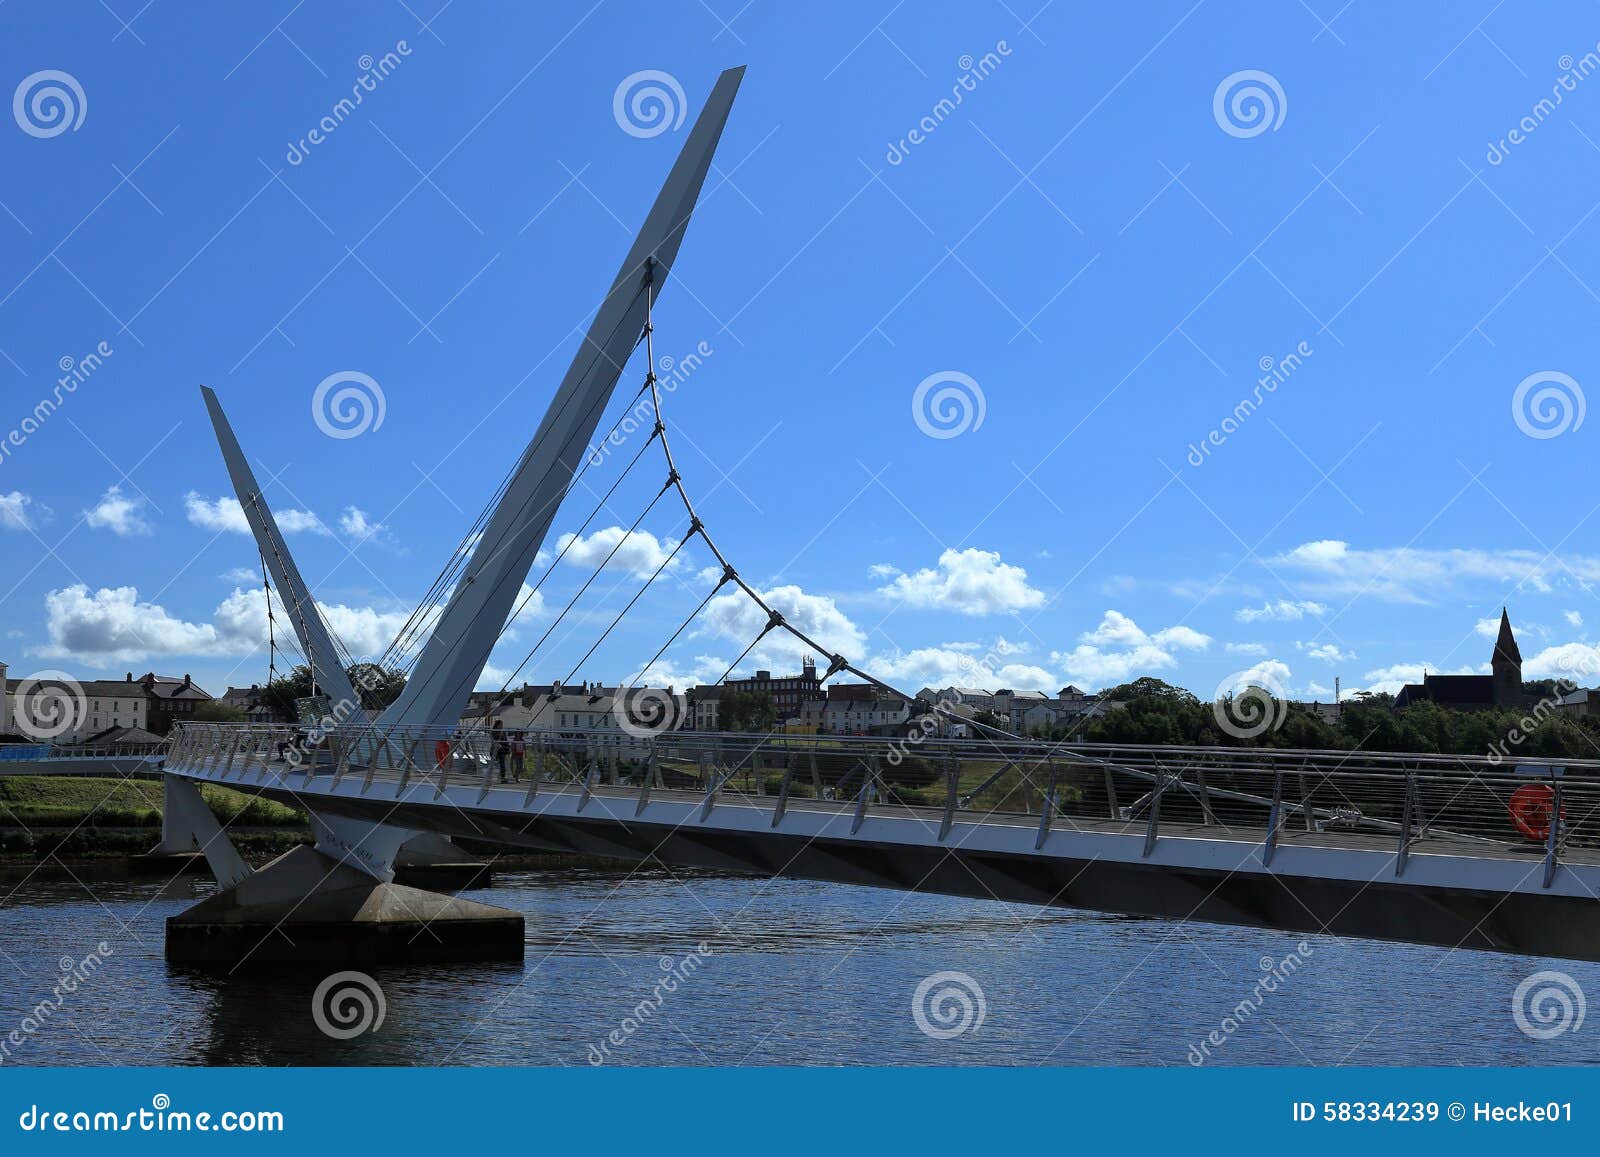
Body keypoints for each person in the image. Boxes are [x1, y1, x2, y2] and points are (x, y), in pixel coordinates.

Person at [491, 718, 509, 783]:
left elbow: (505, 741)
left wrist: (507, 749)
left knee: (502, 764)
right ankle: (491, 777)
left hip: (502, 749)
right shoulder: (494, 732)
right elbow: (493, 740)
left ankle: (503, 778)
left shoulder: (503, 732)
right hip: (496, 749)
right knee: (494, 764)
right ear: (497, 725)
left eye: (502, 725)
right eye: (500, 725)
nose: (501, 726)